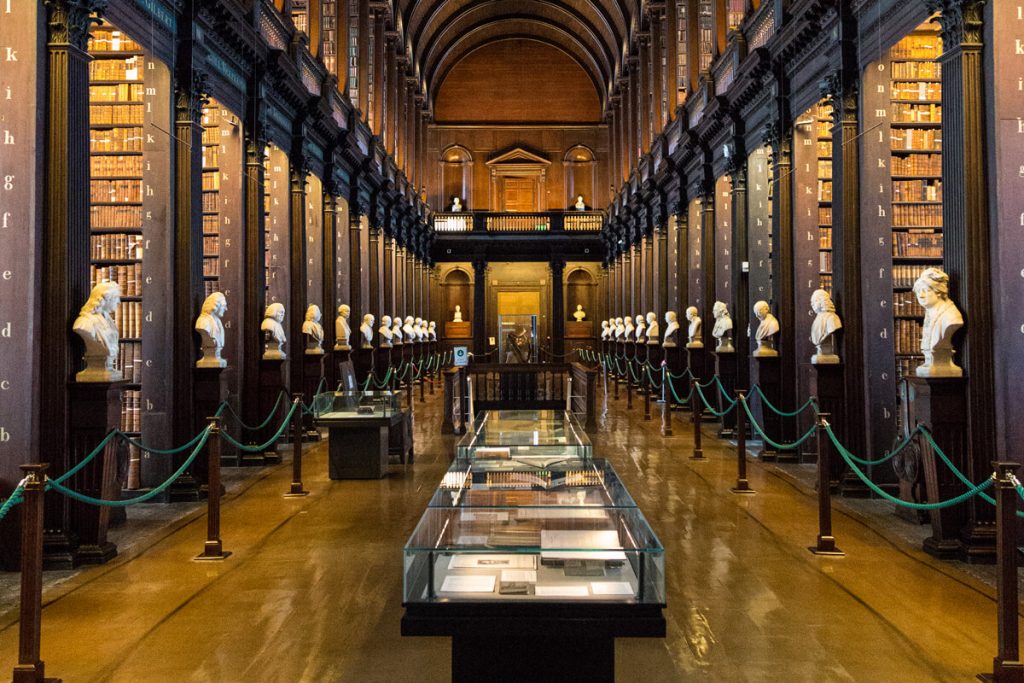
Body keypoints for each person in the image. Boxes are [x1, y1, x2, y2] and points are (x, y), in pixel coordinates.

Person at [914, 267, 964, 377]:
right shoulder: (929, 314)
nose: (921, 295)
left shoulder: (951, 317)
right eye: (918, 291)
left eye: (926, 290)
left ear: (939, 292)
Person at [73, 280, 123, 381]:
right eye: (116, 298)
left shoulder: (108, 319)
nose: (119, 302)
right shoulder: (85, 322)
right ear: (105, 300)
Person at [195, 291, 227, 368]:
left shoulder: (218, 322)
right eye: (224, 306)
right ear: (215, 306)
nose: (226, 309)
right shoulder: (203, 322)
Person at [809, 289, 842, 364]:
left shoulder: (832, 318)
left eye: (815, 301)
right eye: (811, 302)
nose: (812, 304)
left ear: (823, 301)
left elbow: (832, 327)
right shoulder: (817, 319)